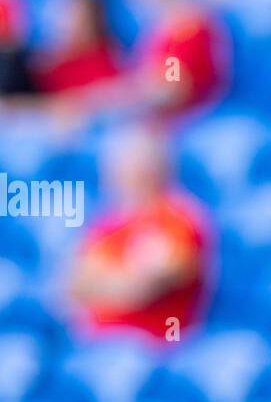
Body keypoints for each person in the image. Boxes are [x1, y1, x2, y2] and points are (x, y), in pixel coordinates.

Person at [68, 128, 213, 341]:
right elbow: (76, 285)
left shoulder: (180, 219)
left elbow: (152, 285)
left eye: (132, 167)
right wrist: (121, 283)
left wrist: (106, 285)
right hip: (102, 343)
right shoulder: (108, 224)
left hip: (160, 341)